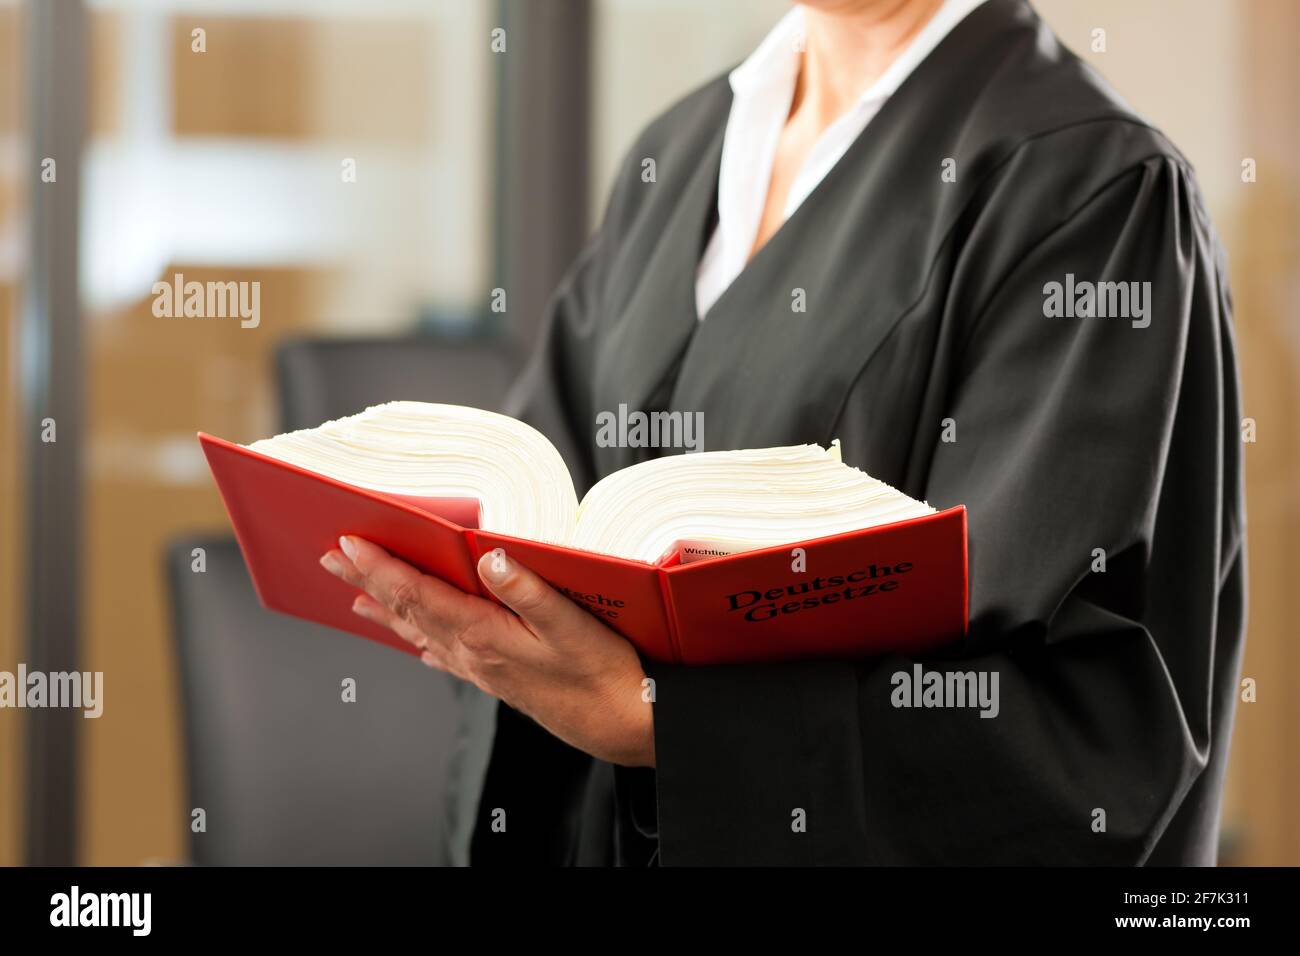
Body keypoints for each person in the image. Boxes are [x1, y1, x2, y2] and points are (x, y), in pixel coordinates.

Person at [319, 0, 1244, 865]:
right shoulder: (678, 156)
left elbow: (1086, 742)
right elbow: (542, 511)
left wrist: (663, 726)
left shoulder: (1094, 193)